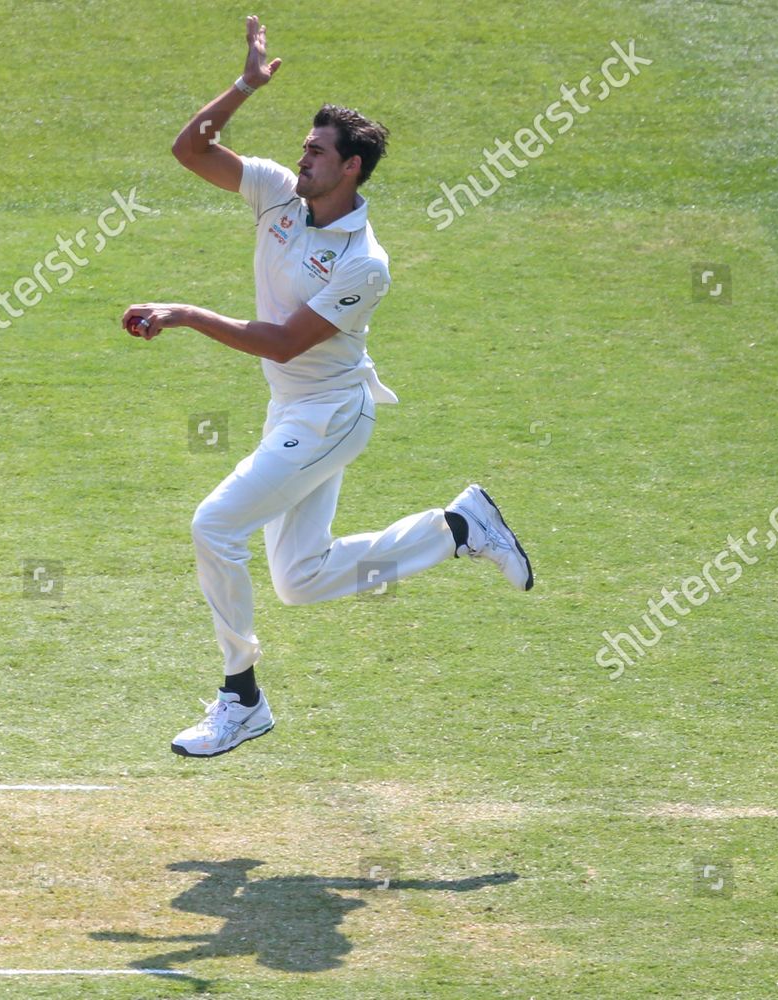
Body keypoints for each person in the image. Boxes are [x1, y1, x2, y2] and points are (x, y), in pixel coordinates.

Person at [121, 15, 533, 760]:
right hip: (291, 407)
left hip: (332, 414)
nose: (301, 157)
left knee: (214, 526)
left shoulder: (365, 264)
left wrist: (184, 314)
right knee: (301, 582)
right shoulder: (278, 194)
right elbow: (191, 150)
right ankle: (459, 529)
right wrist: (244, 84)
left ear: (351, 170)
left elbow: (281, 342)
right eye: (304, 148)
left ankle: (240, 697)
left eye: (317, 152)